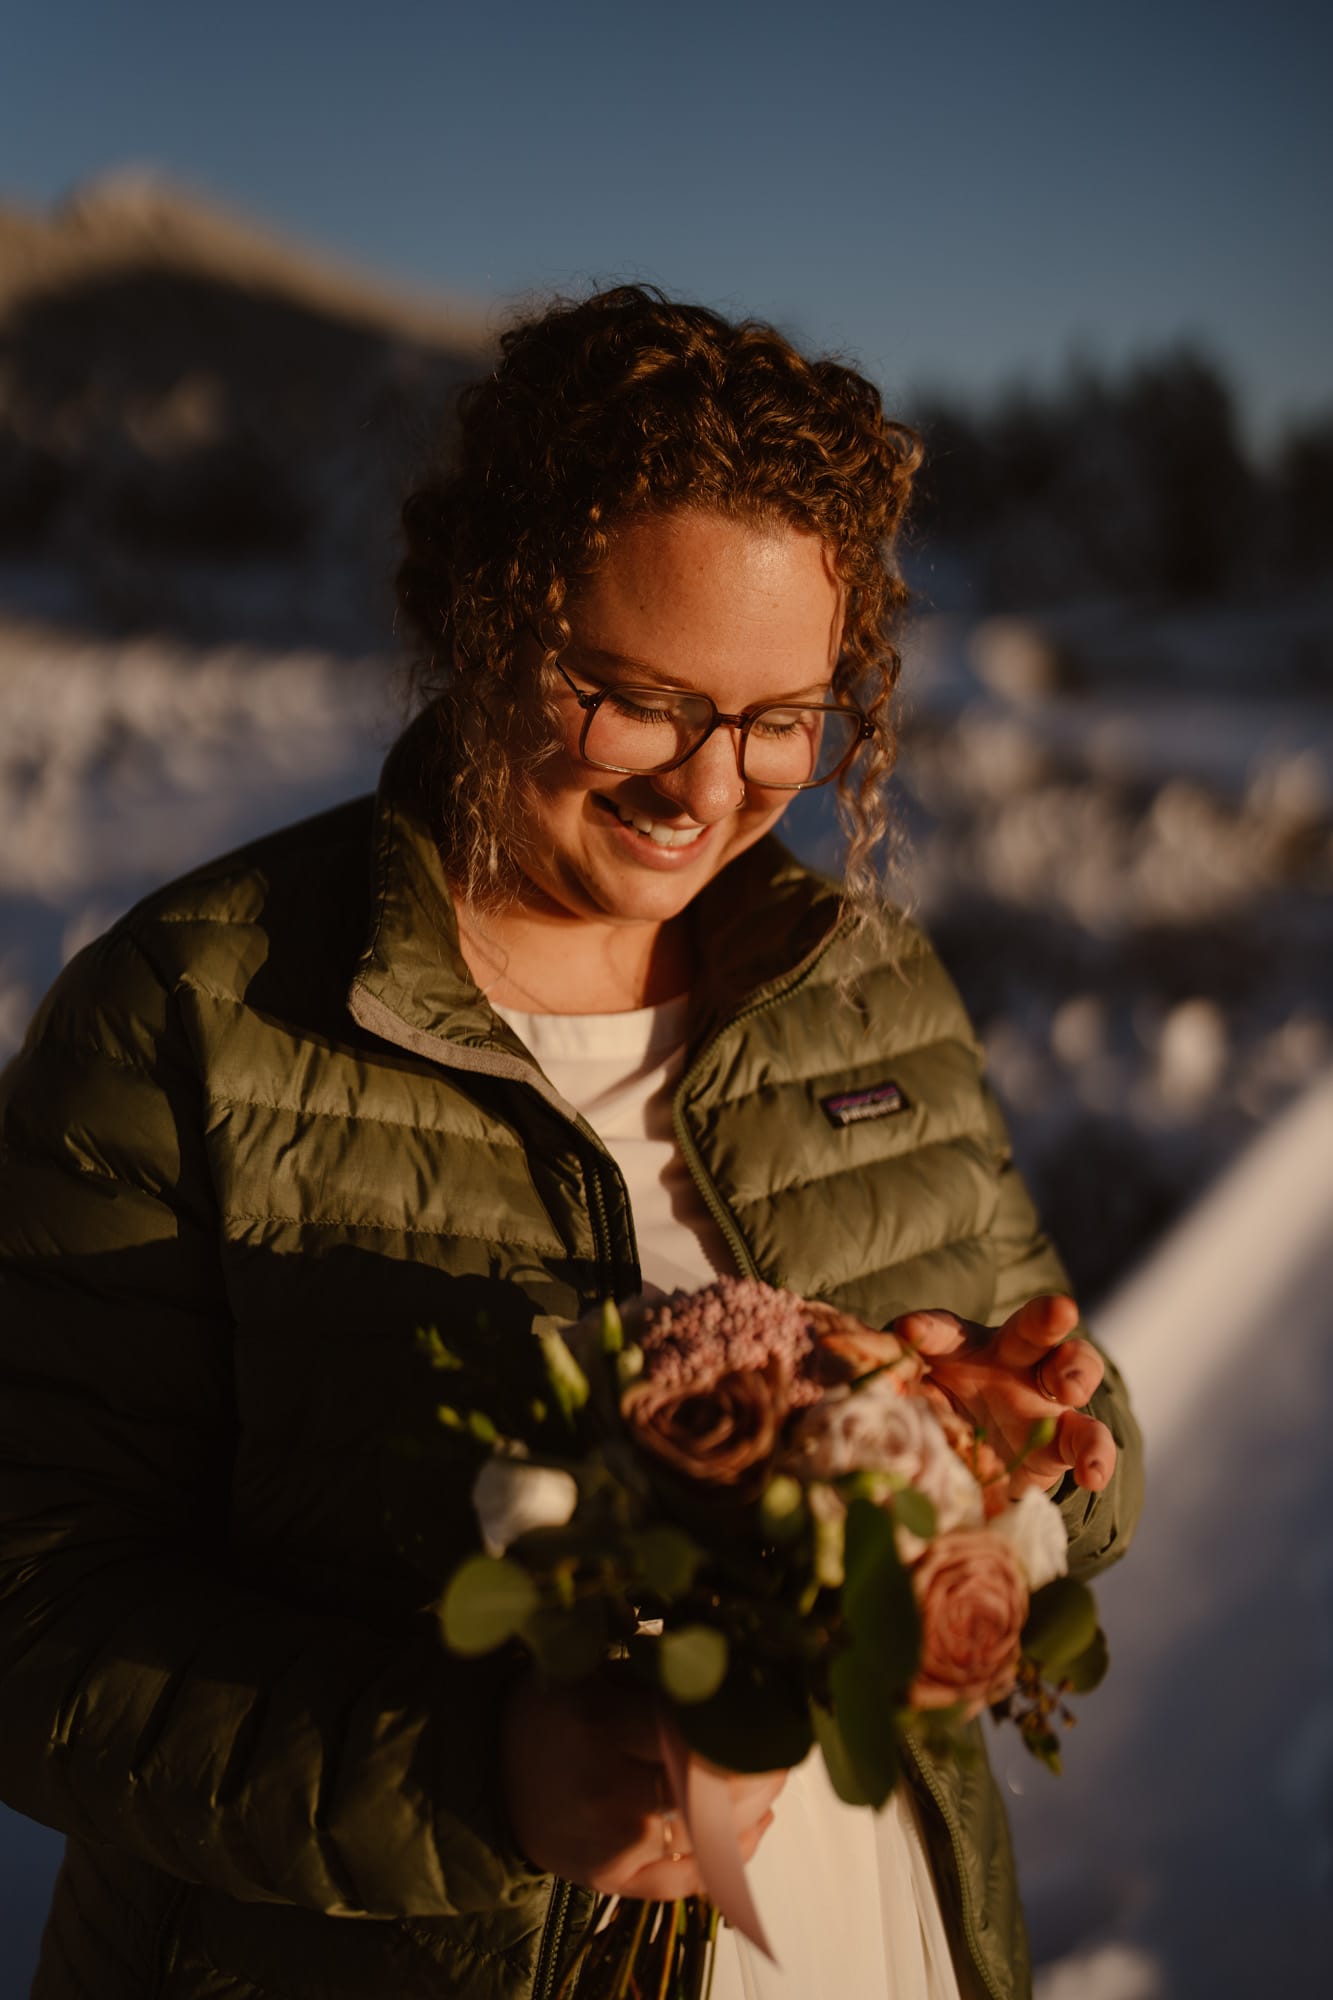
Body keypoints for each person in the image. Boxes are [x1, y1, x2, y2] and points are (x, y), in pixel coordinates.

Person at [0, 285, 1142, 2000]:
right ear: (483, 614)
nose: (706, 786)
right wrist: (478, 1778)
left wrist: (1013, 1433)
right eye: (637, 700)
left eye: (780, 721)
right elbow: (33, 1618)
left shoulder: (868, 989)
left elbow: (1067, 1425)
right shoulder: (189, 1012)